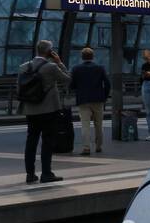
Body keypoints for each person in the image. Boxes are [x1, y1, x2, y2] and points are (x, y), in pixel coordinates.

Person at [19, 40, 71, 184]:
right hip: (49, 110)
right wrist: (59, 62)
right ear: (49, 52)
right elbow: (68, 79)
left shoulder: (24, 67)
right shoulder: (51, 67)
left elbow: (20, 89)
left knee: (31, 142)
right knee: (47, 142)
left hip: (30, 110)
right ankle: (46, 173)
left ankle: (30, 174)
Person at [69, 46, 110, 155]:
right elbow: (107, 84)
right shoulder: (100, 68)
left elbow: (72, 85)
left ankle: (86, 147)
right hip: (98, 99)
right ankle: (98, 146)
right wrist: (104, 96)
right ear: (93, 56)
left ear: (82, 57)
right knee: (99, 124)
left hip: (83, 100)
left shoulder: (76, 68)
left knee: (85, 125)